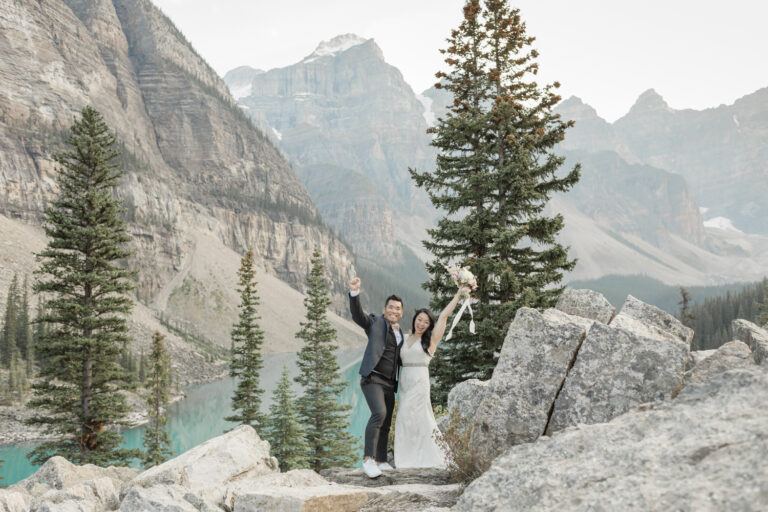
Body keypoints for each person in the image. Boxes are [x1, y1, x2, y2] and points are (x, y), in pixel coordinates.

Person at [394, 287, 466, 468]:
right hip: (405, 382)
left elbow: (444, 316)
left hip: (420, 381)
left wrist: (458, 295)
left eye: (426, 322)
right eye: (419, 319)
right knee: (404, 419)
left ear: (429, 325)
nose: (421, 324)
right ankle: (406, 458)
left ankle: (430, 458)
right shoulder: (404, 337)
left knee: (417, 416)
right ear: (414, 319)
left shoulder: (431, 340)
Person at [348, 276, 404, 478]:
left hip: (389, 382)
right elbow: (358, 316)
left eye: (397, 308)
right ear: (384, 309)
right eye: (391, 307)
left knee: (386, 421)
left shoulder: (400, 332)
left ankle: (381, 460)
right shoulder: (375, 322)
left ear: (401, 313)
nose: (394, 311)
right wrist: (354, 293)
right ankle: (368, 459)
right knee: (379, 413)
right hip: (373, 378)